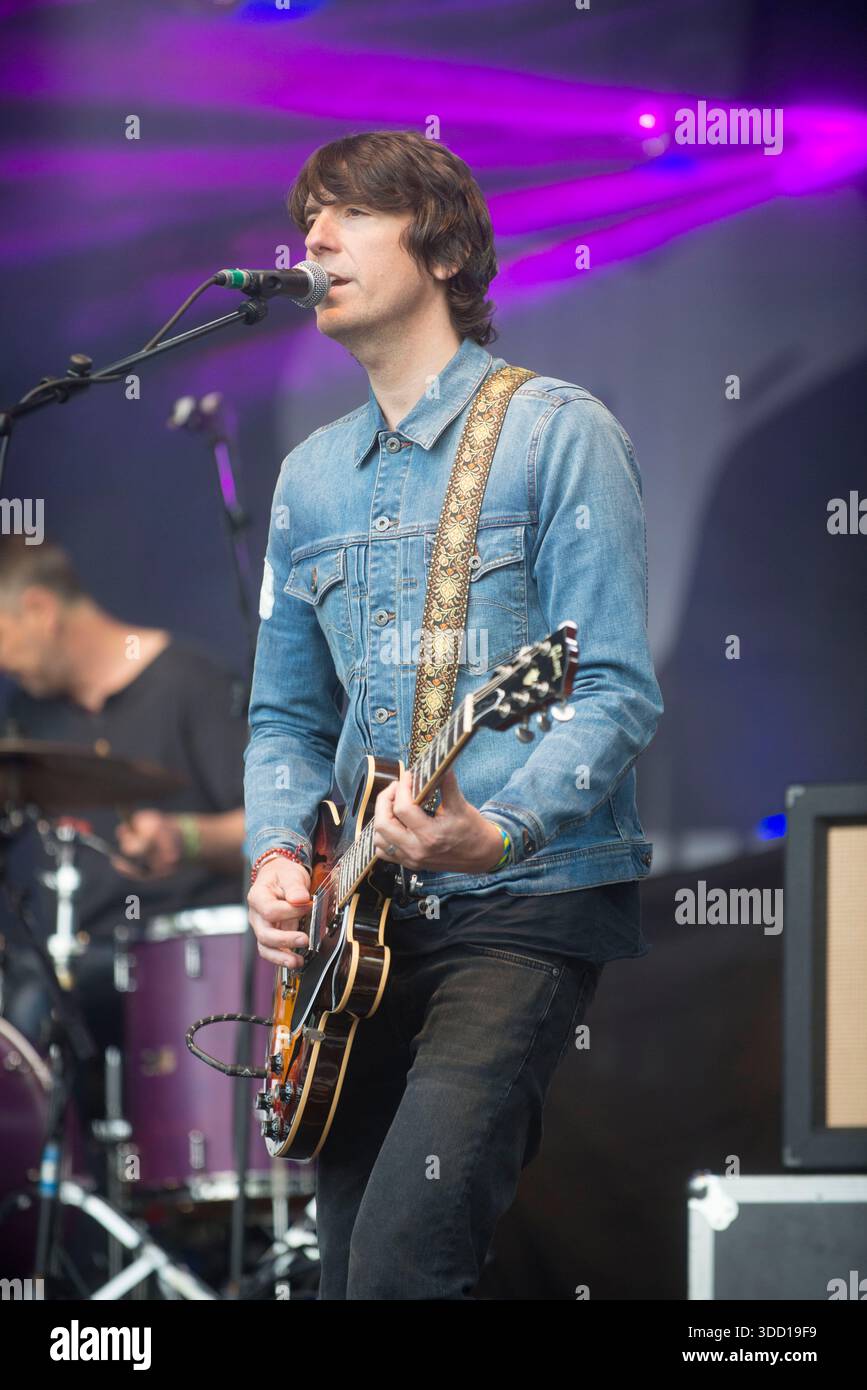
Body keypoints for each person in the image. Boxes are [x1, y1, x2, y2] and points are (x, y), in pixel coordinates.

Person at [244, 129, 664, 1300]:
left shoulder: (555, 432)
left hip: (519, 912)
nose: (311, 240)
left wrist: (503, 829)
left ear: (437, 246)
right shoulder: (310, 477)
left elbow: (614, 685)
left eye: (346, 215)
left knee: (401, 1265)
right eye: (304, 220)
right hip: (357, 934)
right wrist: (280, 854)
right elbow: (283, 711)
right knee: (345, 1281)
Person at [0, 535, 248, 1113]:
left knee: (37, 1012)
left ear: (38, 608)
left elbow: (280, 829)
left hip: (182, 963)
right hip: (70, 960)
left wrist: (184, 839)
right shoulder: (28, 715)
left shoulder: (192, 685)